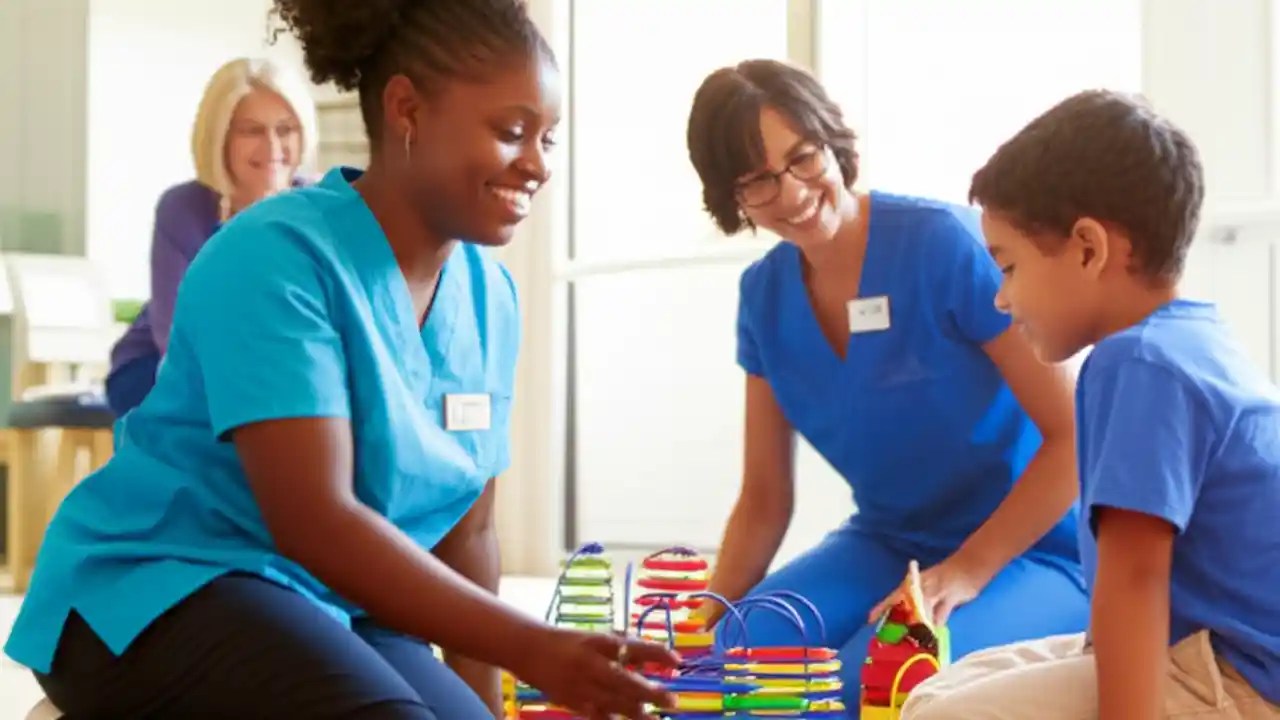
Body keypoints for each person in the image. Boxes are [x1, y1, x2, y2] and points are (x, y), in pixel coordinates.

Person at [3, 1, 678, 718]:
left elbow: (469, 530)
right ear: (406, 109)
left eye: (549, 137)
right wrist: (534, 644)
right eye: (512, 132)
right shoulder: (274, 256)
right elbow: (314, 519)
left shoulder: (491, 296)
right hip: (158, 589)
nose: (538, 164)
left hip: (329, 602)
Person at [684, 59, 1089, 711]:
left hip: (1039, 550)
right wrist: (699, 620)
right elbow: (763, 498)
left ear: (832, 142)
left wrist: (966, 569)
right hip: (890, 539)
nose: (789, 193)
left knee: (871, 676)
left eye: (803, 158)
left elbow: (1075, 436)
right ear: (731, 197)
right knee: (735, 659)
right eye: (758, 181)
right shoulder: (763, 296)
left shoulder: (941, 246)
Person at [900, 91, 1280, 720]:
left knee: (940, 716)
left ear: (1088, 247)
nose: (1000, 299)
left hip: (1242, 679)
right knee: (939, 690)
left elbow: (1134, 581)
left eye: (1010, 266)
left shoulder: (1137, 364)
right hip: (1212, 651)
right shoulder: (1188, 340)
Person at [105, 56, 318, 417]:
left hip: (272, 371)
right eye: (251, 130)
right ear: (220, 137)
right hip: (160, 369)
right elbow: (176, 342)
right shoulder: (183, 208)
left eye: (285, 129)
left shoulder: (318, 208)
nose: (272, 147)